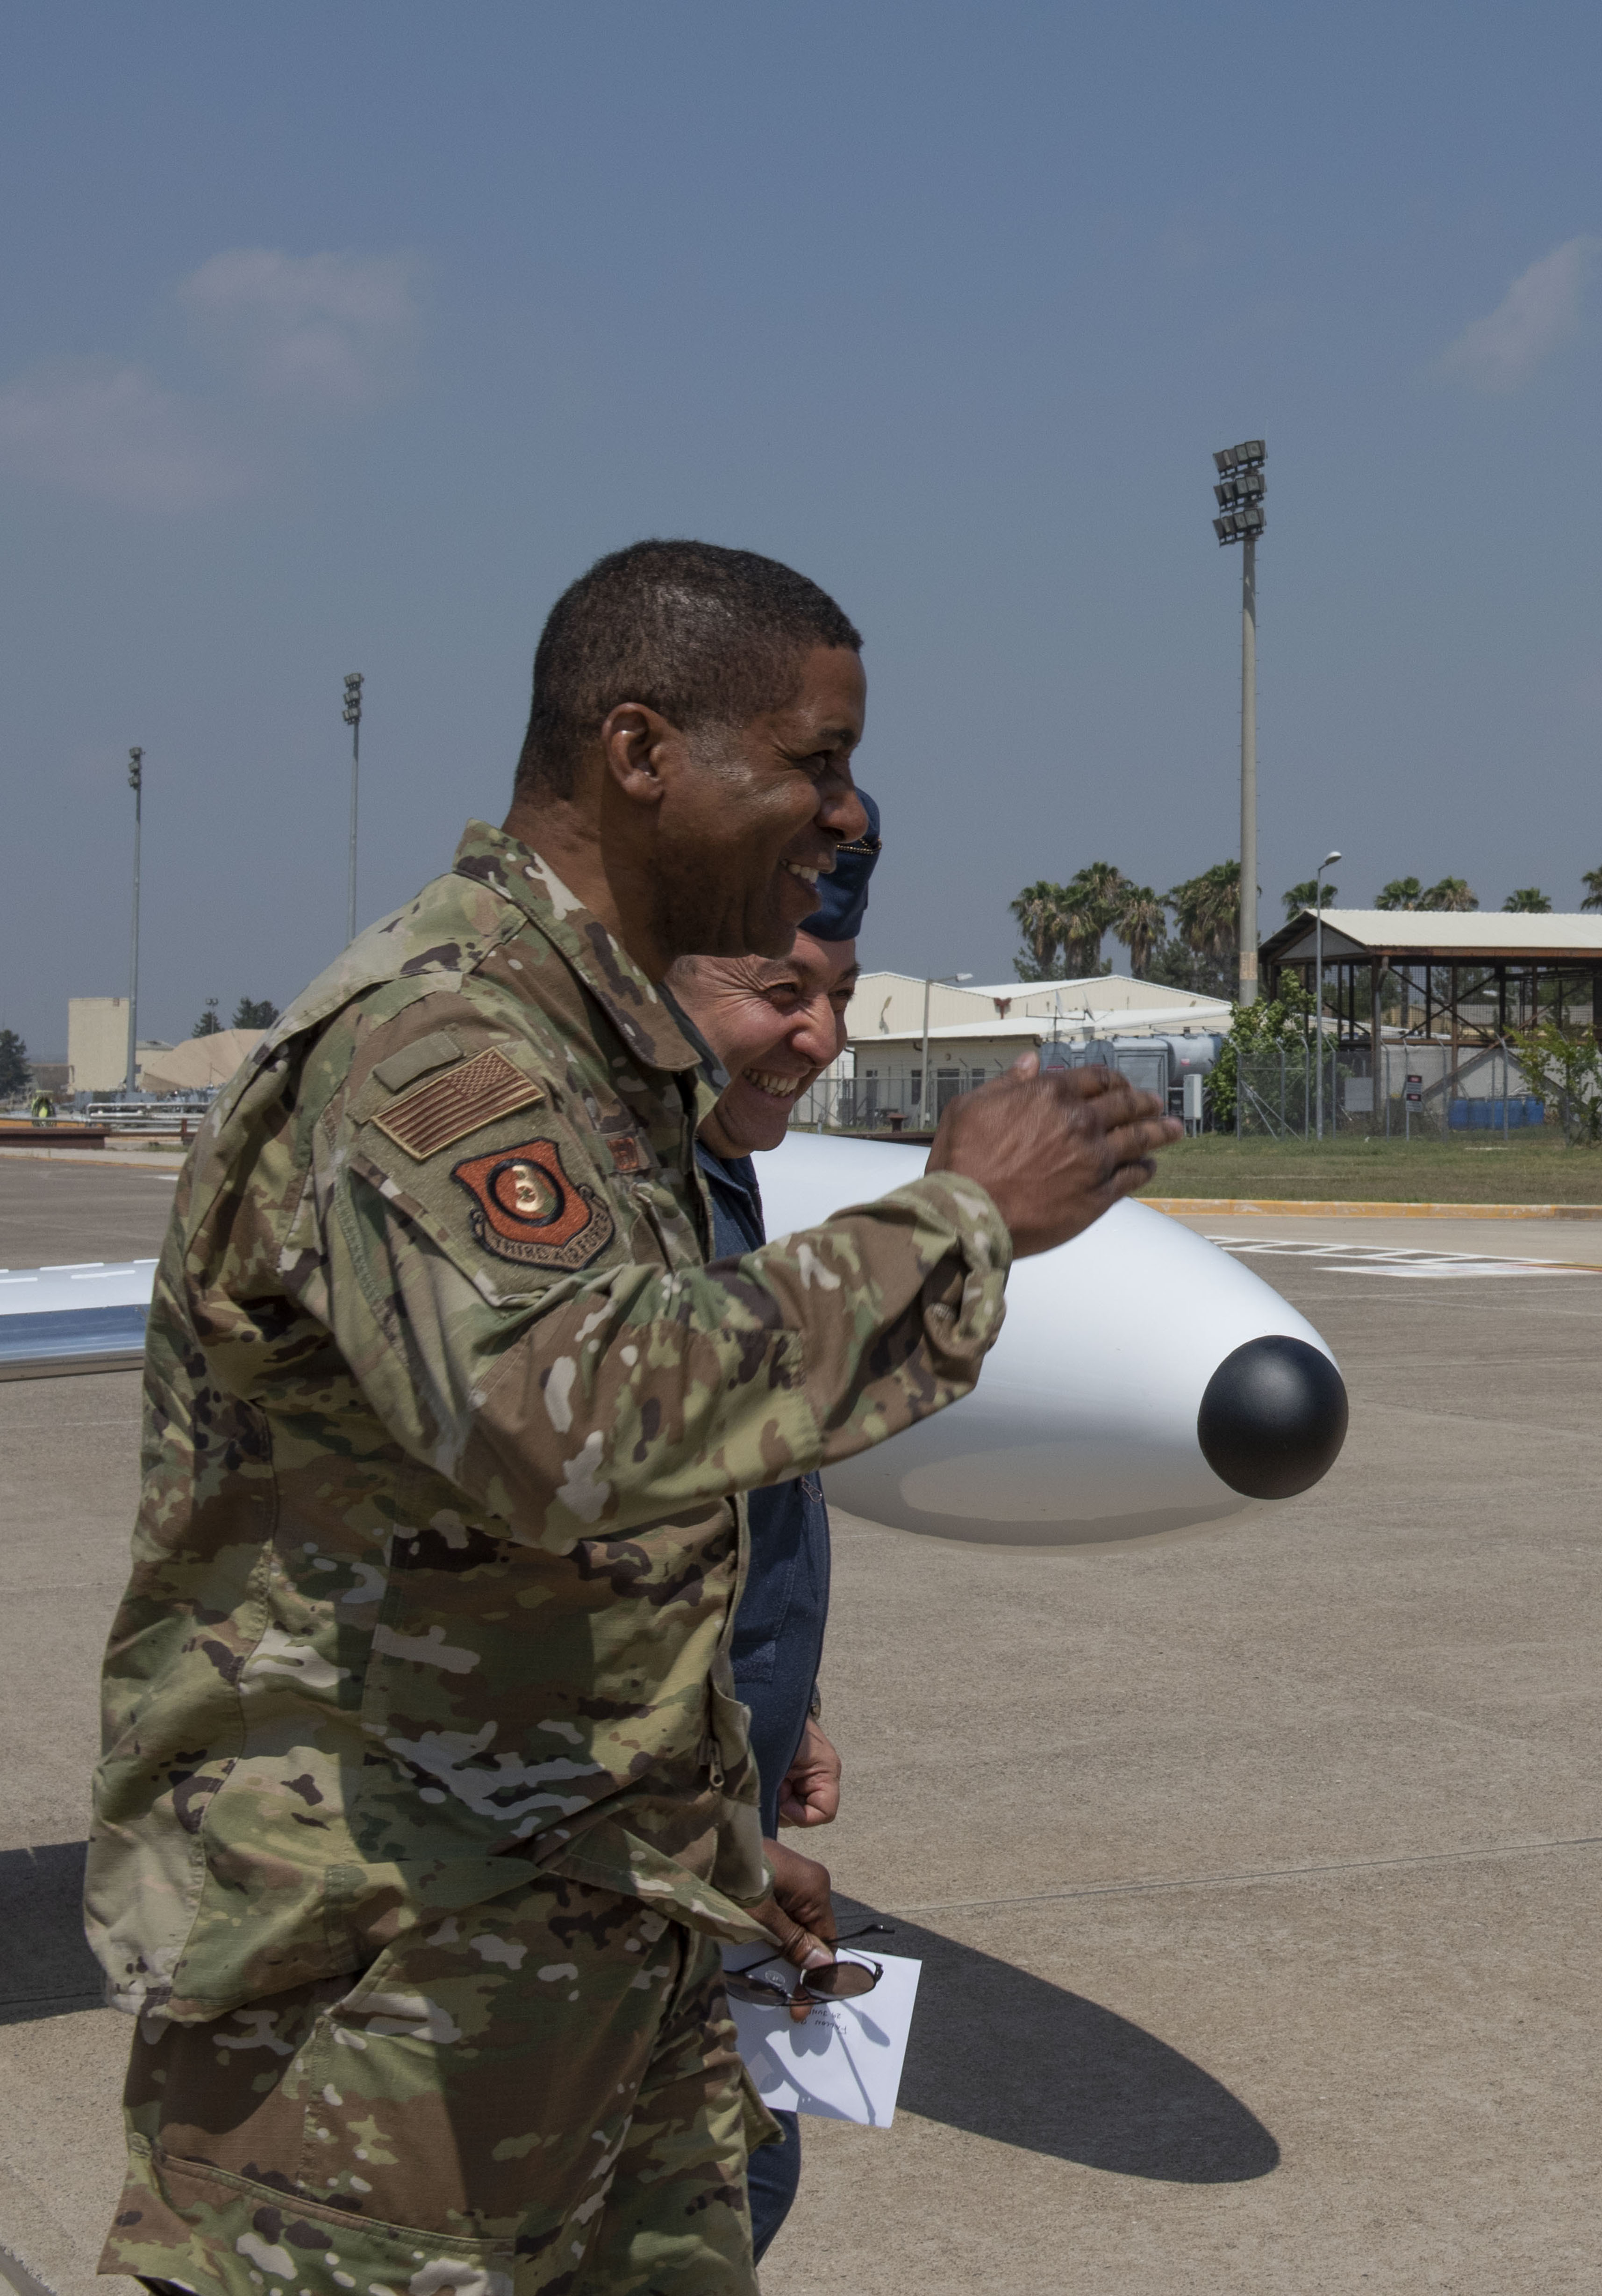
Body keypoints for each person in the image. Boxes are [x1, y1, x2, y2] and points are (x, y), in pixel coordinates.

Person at [87, 540, 1179, 2296]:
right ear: (643, 752)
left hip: (603, 1960)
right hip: (387, 2016)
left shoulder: (602, 1062)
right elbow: (572, 1421)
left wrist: (711, 1844)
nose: (843, 816)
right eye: (812, 763)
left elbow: (576, 1563)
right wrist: (960, 1218)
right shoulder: (438, 1048)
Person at [667, 786, 880, 2259]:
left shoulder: (714, 1157)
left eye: (842, 994)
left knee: (740, 2189)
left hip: (695, 1814)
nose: (825, 1039)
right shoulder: (605, 1182)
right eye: (780, 990)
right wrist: (711, 1843)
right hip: (606, 1874)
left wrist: (781, 1697)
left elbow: (715, 1500)